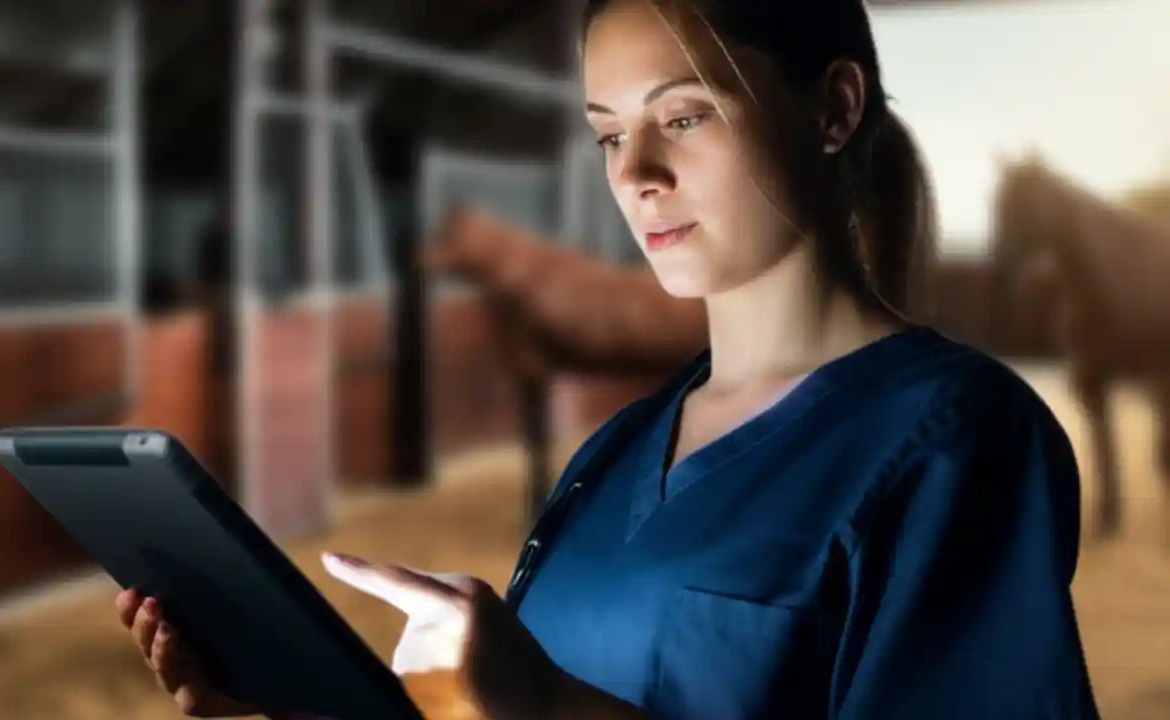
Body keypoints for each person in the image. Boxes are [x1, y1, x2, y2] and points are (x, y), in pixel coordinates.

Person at [117, 0, 1100, 717]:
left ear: (833, 109)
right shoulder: (617, 452)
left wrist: (549, 706)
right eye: (607, 135)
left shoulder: (955, 442)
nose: (633, 176)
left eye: (681, 117)